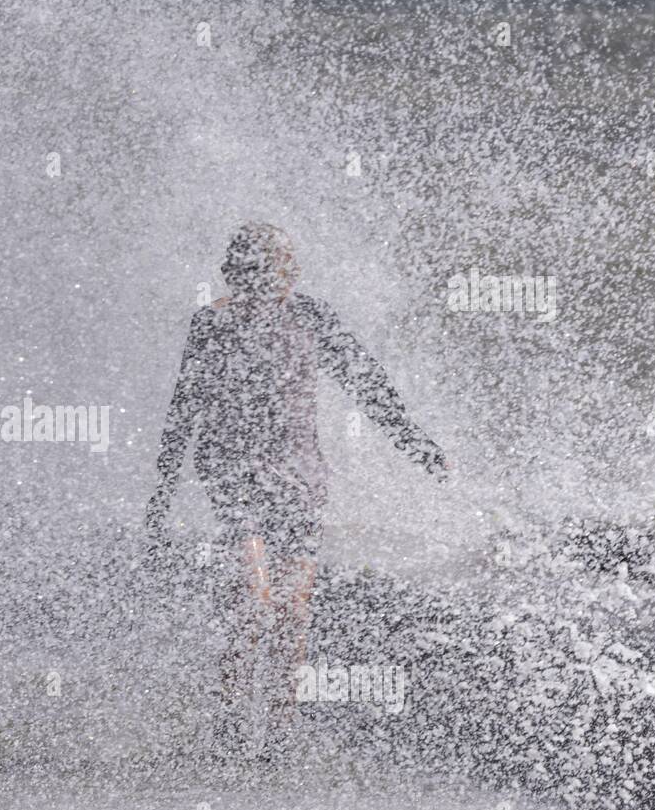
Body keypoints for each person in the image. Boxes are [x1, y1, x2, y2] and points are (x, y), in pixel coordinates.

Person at [145, 224, 448, 760]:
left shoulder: (310, 316)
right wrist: (161, 495)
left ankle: (279, 731)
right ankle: (233, 719)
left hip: (298, 479)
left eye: (289, 267)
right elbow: (184, 406)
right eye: (277, 267)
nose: (289, 276)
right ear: (244, 272)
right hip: (232, 472)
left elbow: (366, 383)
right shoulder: (211, 323)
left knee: (291, 610)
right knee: (250, 597)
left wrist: (414, 442)